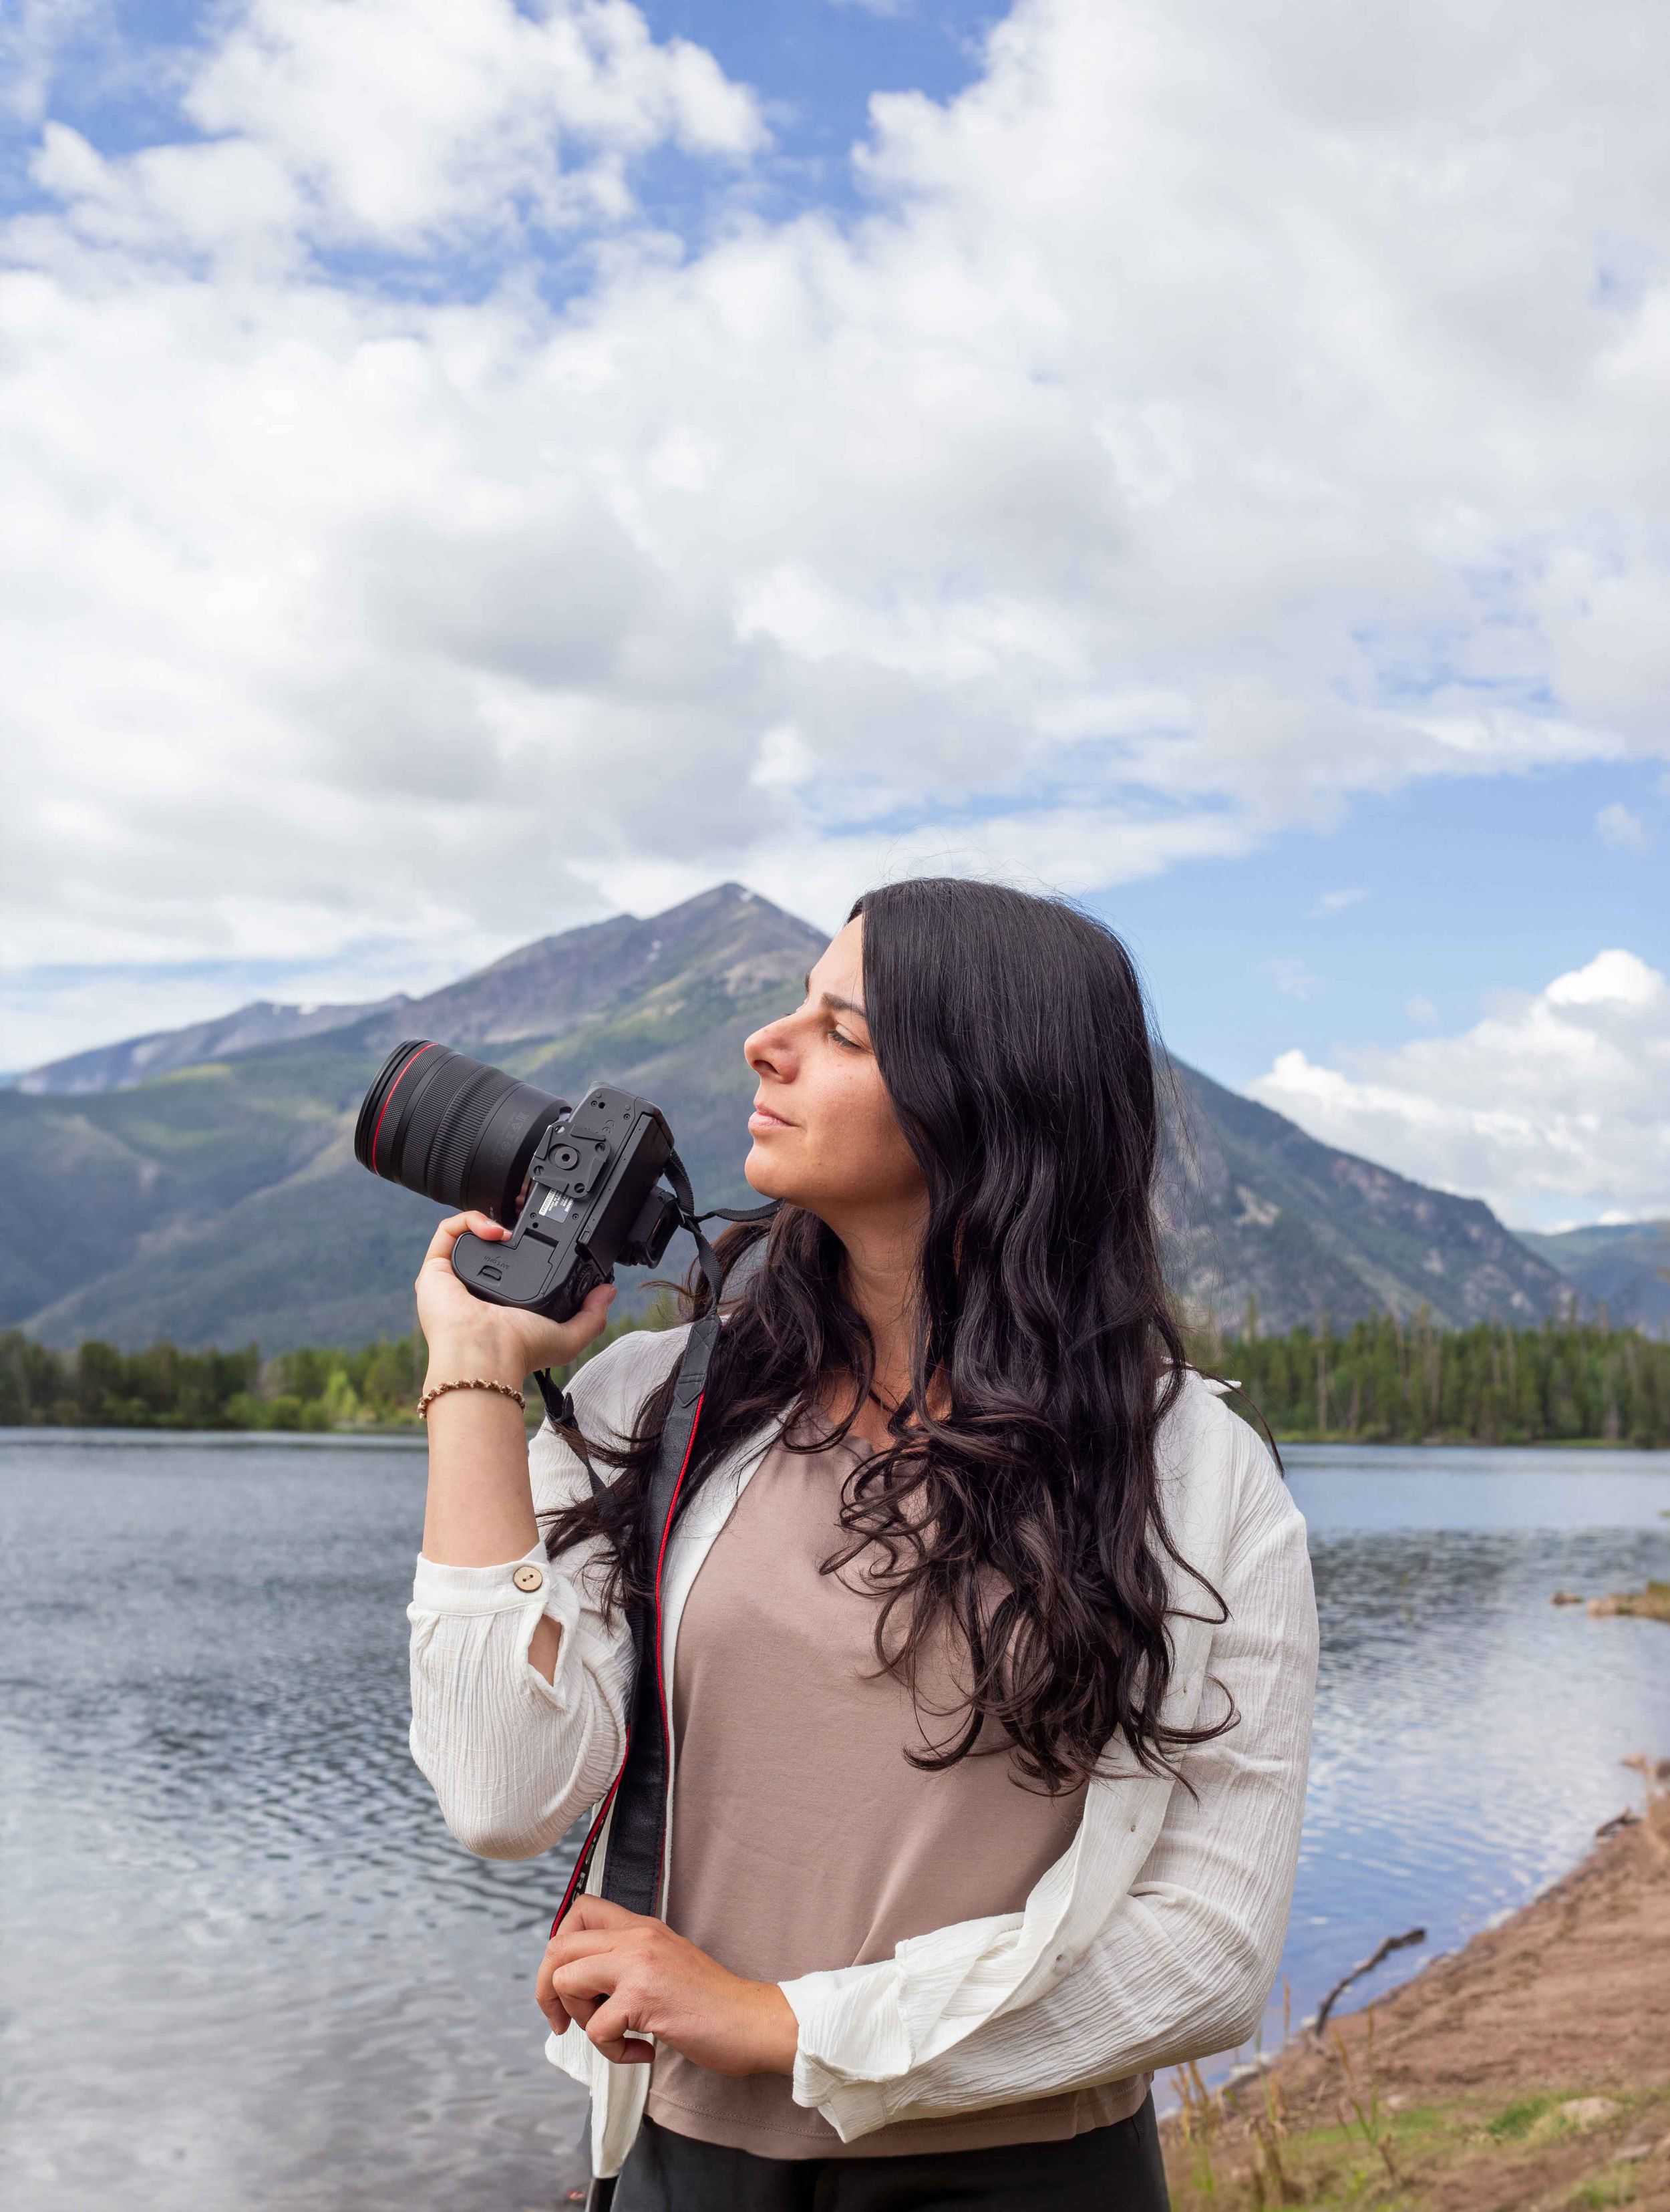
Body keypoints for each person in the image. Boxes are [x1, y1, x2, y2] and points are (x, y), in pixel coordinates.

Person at [406, 877, 1319, 2211]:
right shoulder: (657, 1407)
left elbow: (1209, 1953)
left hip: (1022, 2179)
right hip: (680, 2163)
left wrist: (786, 2024)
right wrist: (476, 1382)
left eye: (842, 1031)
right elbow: (500, 1794)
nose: (763, 1045)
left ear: (984, 1099)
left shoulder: (1182, 1466)